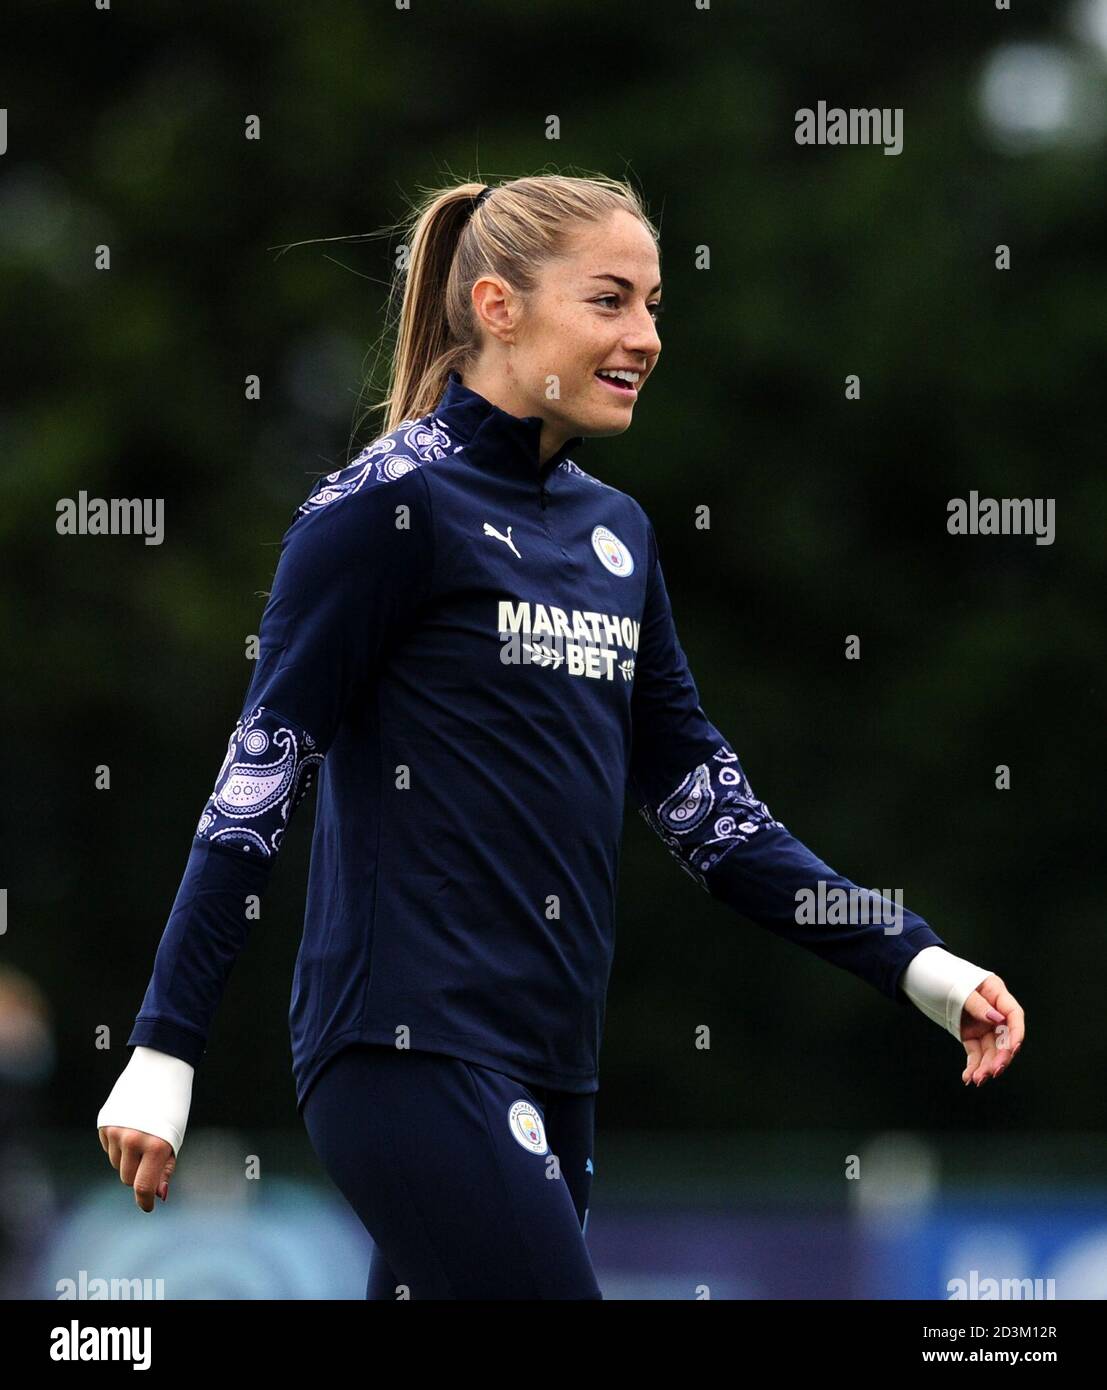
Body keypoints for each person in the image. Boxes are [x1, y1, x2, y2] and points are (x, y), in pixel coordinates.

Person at [97, 173, 1025, 1300]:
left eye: (654, 305)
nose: (646, 336)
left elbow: (712, 817)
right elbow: (258, 782)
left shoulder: (616, 534)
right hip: (404, 1050)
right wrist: (165, 1044)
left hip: (553, 1068)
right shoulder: (385, 508)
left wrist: (916, 961)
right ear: (498, 307)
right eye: (609, 300)